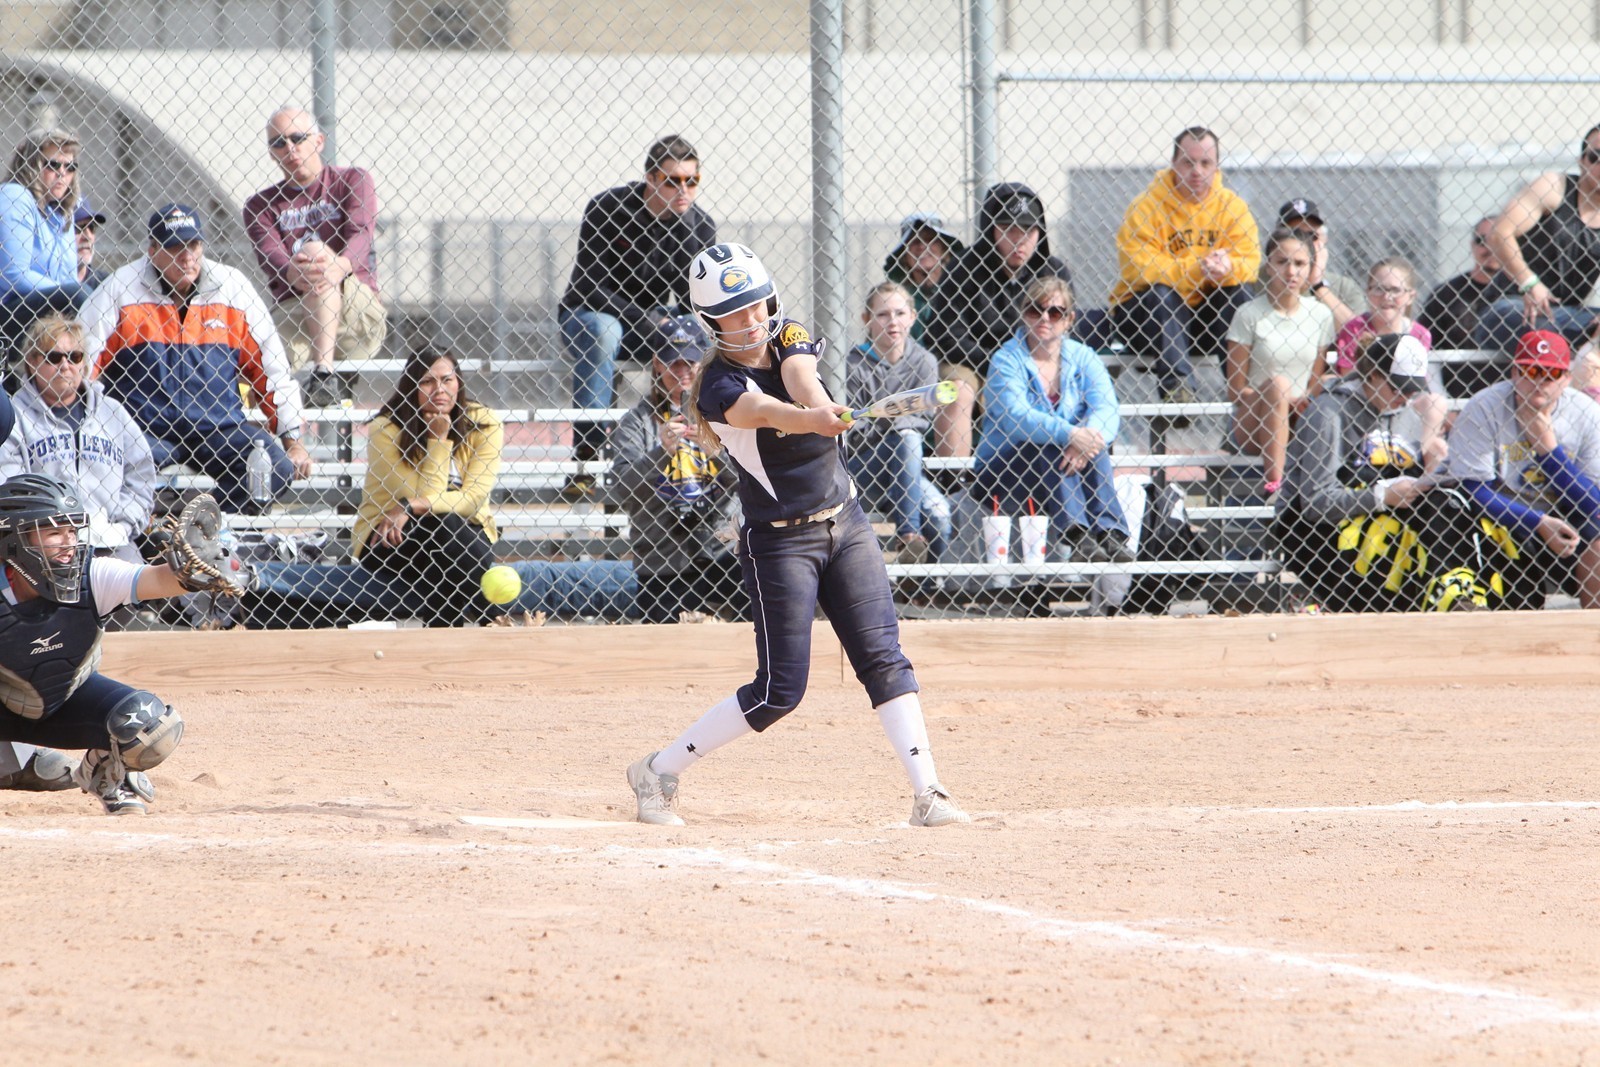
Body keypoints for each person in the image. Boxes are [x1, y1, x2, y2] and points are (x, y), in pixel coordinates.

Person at [624, 241, 970, 828]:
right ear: (712, 322)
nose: (752, 320)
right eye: (735, 313)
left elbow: (799, 379)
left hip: (846, 524)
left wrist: (820, 406)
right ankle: (657, 770)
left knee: (885, 659)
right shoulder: (715, 387)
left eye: (758, 304)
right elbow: (767, 412)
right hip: (779, 543)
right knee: (779, 691)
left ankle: (928, 792)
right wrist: (811, 420)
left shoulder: (788, 334)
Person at [80, 203, 311, 514]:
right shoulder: (121, 288)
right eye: (174, 246)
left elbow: (271, 370)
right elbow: (82, 362)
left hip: (219, 428)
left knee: (275, 468)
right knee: (104, 469)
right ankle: (150, 528)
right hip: (145, 428)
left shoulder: (233, 288)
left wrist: (292, 438)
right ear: (152, 250)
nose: (186, 256)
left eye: (193, 245)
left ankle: (199, 523)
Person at [0, 474, 195, 814]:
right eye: (53, 532)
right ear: (13, 540)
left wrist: (189, 571)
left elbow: (156, 580)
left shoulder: (91, 575)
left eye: (72, 531)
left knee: (151, 726)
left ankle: (103, 771)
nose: (68, 543)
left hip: (64, 699)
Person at [558, 135, 718, 495]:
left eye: (692, 181)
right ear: (651, 179)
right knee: (605, 331)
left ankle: (701, 437)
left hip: (655, 324)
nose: (684, 189)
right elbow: (589, 285)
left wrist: (675, 324)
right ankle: (586, 457)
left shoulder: (698, 225)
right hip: (591, 316)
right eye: (672, 181)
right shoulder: (608, 208)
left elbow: (695, 298)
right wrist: (651, 322)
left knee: (704, 334)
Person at [1275, 334, 1466, 612]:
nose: (1405, 397)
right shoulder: (1330, 413)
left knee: (1446, 509)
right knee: (1390, 538)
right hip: (1312, 526)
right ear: (1373, 375)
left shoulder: (1407, 410)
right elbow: (1315, 503)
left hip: (1380, 515)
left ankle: (1457, 596)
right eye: (1397, 387)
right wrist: (1381, 496)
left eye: (1412, 389)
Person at [974, 275, 1133, 564]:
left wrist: (1085, 440)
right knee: (1047, 442)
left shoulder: (1083, 356)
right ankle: (1077, 533)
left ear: (1069, 319)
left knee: (1093, 443)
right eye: (1035, 309)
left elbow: (1107, 408)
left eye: (1055, 312)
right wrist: (1071, 435)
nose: (1045, 318)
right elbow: (1016, 419)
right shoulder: (1006, 359)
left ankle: (1109, 534)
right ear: (1023, 314)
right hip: (1002, 470)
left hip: (1061, 469)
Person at [1441, 330, 1600, 609]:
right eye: (1530, 370)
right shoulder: (1484, 407)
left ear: (1566, 379)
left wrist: (1549, 451)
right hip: (1502, 519)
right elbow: (1473, 489)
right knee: (1450, 506)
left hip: (1566, 520)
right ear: (1514, 373)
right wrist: (1536, 522)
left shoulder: (1586, 413)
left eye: (1550, 374)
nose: (1539, 381)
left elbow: (1594, 504)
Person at [1108, 126, 1260, 411]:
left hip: (1204, 318)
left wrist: (1227, 268)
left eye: (1206, 163)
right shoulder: (1147, 206)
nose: (1197, 171)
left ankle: (1245, 393)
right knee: (1162, 294)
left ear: (1216, 167)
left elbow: (1250, 262)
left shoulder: (1232, 207)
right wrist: (1195, 271)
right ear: (1174, 165)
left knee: (1238, 293)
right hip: (1148, 319)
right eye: (1188, 162)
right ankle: (1177, 392)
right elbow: (1136, 268)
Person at [243, 107, 387, 406]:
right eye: (279, 143)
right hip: (294, 313)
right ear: (271, 153)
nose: (290, 148)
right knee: (249, 371)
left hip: (354, 310)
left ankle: (323, 374)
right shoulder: (259, 206)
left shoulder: (352, 180)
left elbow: (361, 234)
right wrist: (300, 272)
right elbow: (272, 256)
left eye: (298, 138)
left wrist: (339, 267)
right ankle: (262, 448)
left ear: (319, 141)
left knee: (315, 252)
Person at [607, 315, 746, 623]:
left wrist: (717, 452)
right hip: (663, 554)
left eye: (690, 363)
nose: (681, 371)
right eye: (672, 363)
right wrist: (661, 453)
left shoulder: (724, 412)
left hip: (720, 549)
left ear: (703, 364)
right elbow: (621, 490)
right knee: (665, 636)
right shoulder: (637, 422)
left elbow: (751, 480)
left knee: (757, 603)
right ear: (657, 364)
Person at [352, 348, 502, 627]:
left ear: (459, 383)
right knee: (442, 531)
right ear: (413, 386)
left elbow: (472, 499)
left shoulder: (483, 423)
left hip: (462, 533)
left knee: (444, 539)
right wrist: (438, 440)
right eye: (427, 382)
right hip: (389, 536)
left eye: (447, 380)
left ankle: (441, 645)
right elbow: (420, 499)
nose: (439, 390)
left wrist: (410, 505)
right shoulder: (386, 429)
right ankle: (492, 615)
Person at [923, 181, 1071, 458]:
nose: (1020, 239)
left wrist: (1029, 365)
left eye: (1029, 230)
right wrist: (998, 363)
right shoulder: (964, 267)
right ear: (991, 229)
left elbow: (1064, 329)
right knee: (956, 391)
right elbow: (946, 334)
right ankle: (956, 486)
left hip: (1037, 362)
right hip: (976, 364)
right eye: (1009, 229)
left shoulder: (1052, 271)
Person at [0, 314, 155, 564]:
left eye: (74, 357)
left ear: (83, 363)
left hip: (110, 540)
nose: (65, 366)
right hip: (42, 545)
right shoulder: (13, 416)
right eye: (53, 357)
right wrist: (45, 534)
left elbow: (141, 476)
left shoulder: (112, 412)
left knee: (137, 589)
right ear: (31, 362)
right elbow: (9, 486)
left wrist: (124, 525)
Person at [845, 282, 953, 566]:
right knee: (906, 438)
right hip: (864, 468)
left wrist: (887, 420)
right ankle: (909, 534)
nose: (892, 321)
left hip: (906, 469)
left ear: (912, 318)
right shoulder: (853, 364)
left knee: (940, 516)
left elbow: (923, 421)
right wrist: (899, 425)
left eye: (900, 313)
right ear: (866, 319)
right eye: (882, 314)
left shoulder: (924, 361)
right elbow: (856, 433)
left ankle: (919, 590)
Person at [1225, 227, 1336, 495]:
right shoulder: (1248, 313)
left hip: (1301, 414)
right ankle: (1275, 485)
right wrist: (1280, 398)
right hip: (1254, 418)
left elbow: (1315, 378)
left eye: (1299, 263)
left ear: (1310, 267)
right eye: (1282, 262)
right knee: (1278, 385)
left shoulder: (1320, 314)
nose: (1291, 271)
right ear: (1268, 266)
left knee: (1329, 382)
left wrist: (1301, 399)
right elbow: (1236, 389)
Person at [1477, 126, 1600, 357]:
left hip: (1572, 315)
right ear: (1582, 160)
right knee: (1542, 325)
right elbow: (1500, 233)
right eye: (1596, 156)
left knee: (1580, 328)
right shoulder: (1554, 187)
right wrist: (1529, 283)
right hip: (1514, 306)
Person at [0, 128, 88, 357]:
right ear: (31, 164)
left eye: (70, 167)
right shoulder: (14, 196)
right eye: (53, 165)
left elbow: (69, 277)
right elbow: (14, 276)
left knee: (100, 292)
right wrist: (65, 292)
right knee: (79, 295)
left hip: (52, 308)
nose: (62, 174)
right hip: (9, 310)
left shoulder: (62, 212)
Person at [1277, 199, 1366, 332]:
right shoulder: (1263, 279)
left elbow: (1357, 336)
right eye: (1295, 234)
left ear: (1324, 240)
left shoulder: (1343, 286)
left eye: (1311, 235)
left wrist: (1318, 285)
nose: (1304, 243)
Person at [1333, 257, 1432, 374]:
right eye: (1378, 289)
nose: (1387, 297)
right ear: (1367, 292)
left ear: (1410, 297)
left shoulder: (1420, 334)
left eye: (1395, 290)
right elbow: (1349, 376)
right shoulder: (1354, 329)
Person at [882, 212, 963, 341]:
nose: (922, 246)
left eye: (930, 239)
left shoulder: (962, 291)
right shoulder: (896, 298)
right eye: (914, 241)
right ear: (904, 255)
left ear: (944, 249)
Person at [73, 196, 110, 291]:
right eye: (78, 228)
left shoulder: (106, 283)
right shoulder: (49, 283)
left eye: (92, 227)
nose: (88, 236)